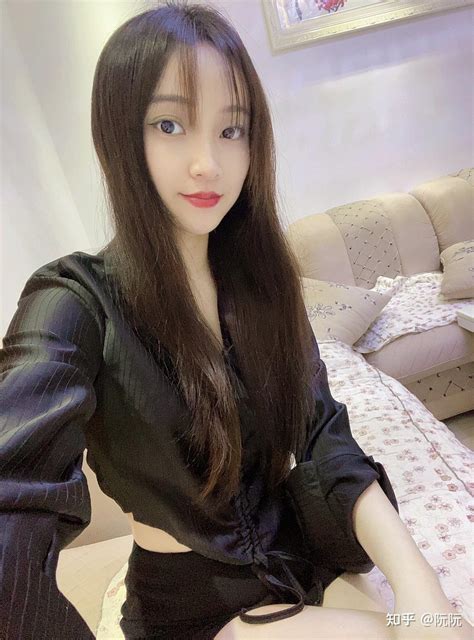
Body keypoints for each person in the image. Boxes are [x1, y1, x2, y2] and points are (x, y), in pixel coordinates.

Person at [0, 2, 471, 639]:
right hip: (196, 605)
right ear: (119, 135)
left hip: (299, 551)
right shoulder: (75, 301)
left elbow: (323, 434)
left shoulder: (261, 280)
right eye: (169, 124)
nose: (208, 163)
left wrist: (422, 591)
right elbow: (12, 503)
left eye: (231, 129)